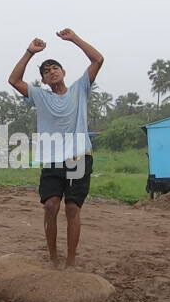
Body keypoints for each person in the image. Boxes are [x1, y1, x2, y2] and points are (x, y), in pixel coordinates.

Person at [8, 28, 104, 268]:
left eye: (54, 68)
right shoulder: (40, 96)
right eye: (46, 71)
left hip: (80, 156)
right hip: (52, 159)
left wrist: (74, 39)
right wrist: (30, 52)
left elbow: (98, 59)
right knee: (51, 205)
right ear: (43, 80)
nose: (51, 72)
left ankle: (71, 261)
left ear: (63, 72)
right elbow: (14, 80)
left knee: (72, 209)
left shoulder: (80, 89)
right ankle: (53, 256)